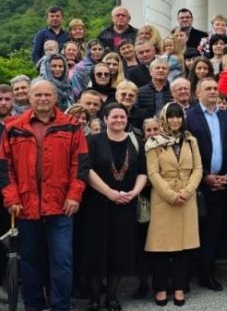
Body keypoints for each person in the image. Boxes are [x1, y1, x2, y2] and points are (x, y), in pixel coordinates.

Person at [0, 79, 89, 311]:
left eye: (47, 95)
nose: (43, 99)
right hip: (26, 206)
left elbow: (80, 165)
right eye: (38, 95)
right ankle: (33, 305)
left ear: (56, 98)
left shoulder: (71, 126)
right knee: (30, 263)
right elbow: (3, 167)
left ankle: (61, 306)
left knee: (62, 261)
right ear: (29, 98)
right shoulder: (13, 127)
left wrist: (74, 196)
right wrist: (12, 198)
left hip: (61, 206)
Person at [77, 103, 146, 310]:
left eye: (122, 117)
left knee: (120, 250)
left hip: (125, 204)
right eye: (114, 117)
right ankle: (95, 299)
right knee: (96, 250)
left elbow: (143, 171)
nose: (118, 120)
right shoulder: (93, 140)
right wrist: (109, 192)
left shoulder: (136, 141)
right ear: (105, 119)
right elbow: (86, 169)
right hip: (98, 203)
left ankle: (112, 297)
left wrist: (134, 192)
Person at [145, 102, 201, 306]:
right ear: (164, 119)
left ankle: (179, 287)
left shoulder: (190, 140)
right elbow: (152, 173)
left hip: (187, 197)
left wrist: (187, 191)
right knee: (162, 247)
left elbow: (198, 169)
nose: (175, 120)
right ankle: (160, 288)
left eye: (179, 116)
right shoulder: (154, 142)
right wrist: (170, 195)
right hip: (164, 198)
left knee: (182, 248)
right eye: (171, 116)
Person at [184, 77, 227, 291]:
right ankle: (186, 275)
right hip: (197, 184)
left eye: (215, 88)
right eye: (208, 89)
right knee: (192, 230)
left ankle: (207, 273)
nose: (213, 91)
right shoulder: (189, 117)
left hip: (222, 183)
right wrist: (205, 176)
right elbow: (186, 152)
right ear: (198, 93)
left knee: (213, 231)